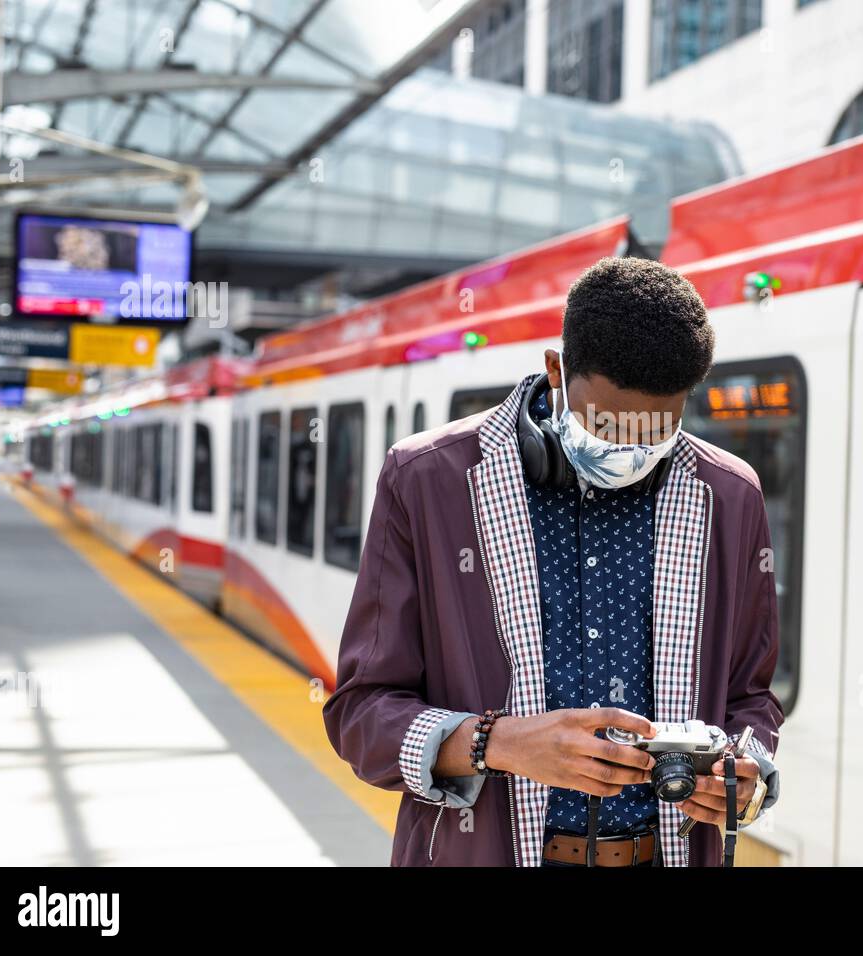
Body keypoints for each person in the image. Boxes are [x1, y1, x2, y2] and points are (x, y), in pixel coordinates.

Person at [324, 256, 782, 867]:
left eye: (655, 431)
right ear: (555, 371)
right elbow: (360, 714)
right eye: (607, 424)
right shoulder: (427, 479)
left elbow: (751, 698)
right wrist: (500, 743)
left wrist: (747, 772)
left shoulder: (729, 495)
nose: (629, 450)